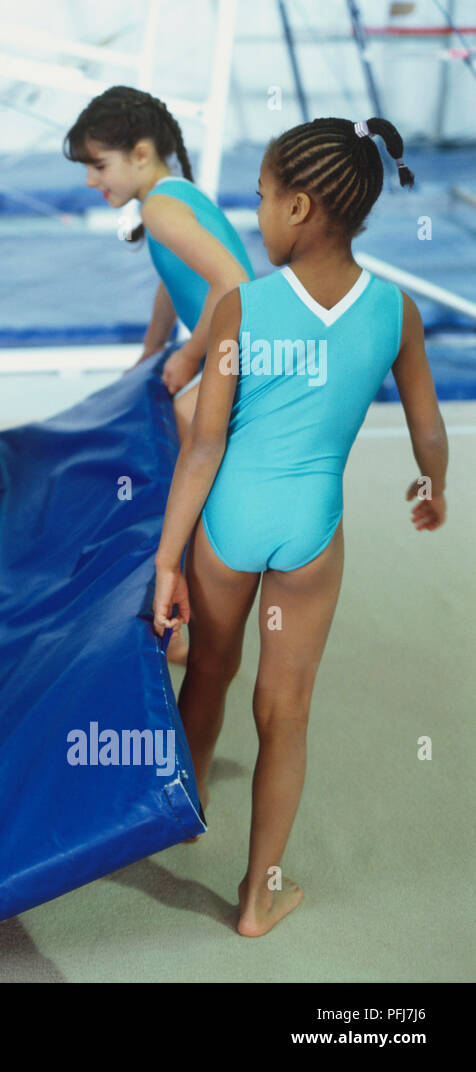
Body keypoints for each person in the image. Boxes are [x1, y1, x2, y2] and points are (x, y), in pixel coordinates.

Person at [151, 118, 447, 936]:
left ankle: (185, 800)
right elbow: (427, 429)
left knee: (207, 672)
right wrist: (435, 485)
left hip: (229, 525)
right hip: (311, 532)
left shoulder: (242, 308)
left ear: (302, 206)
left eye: (262, 201)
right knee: (286, 716)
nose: (256, 218)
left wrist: (169, 560)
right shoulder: (396, 312)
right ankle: (257, 899)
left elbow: (204, 445)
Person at [65, 86, 255, 664]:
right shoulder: (170, 201)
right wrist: (153, 348)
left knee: (178, 435)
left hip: (243, 351)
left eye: (100, 165)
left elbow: (233, 284)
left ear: (141, 155)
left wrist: (190, 355)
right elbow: (172, 279)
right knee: (169, 429)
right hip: (239, 345)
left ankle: (187, 600)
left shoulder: (160, 207)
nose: (93, 180)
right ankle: (185, 581)